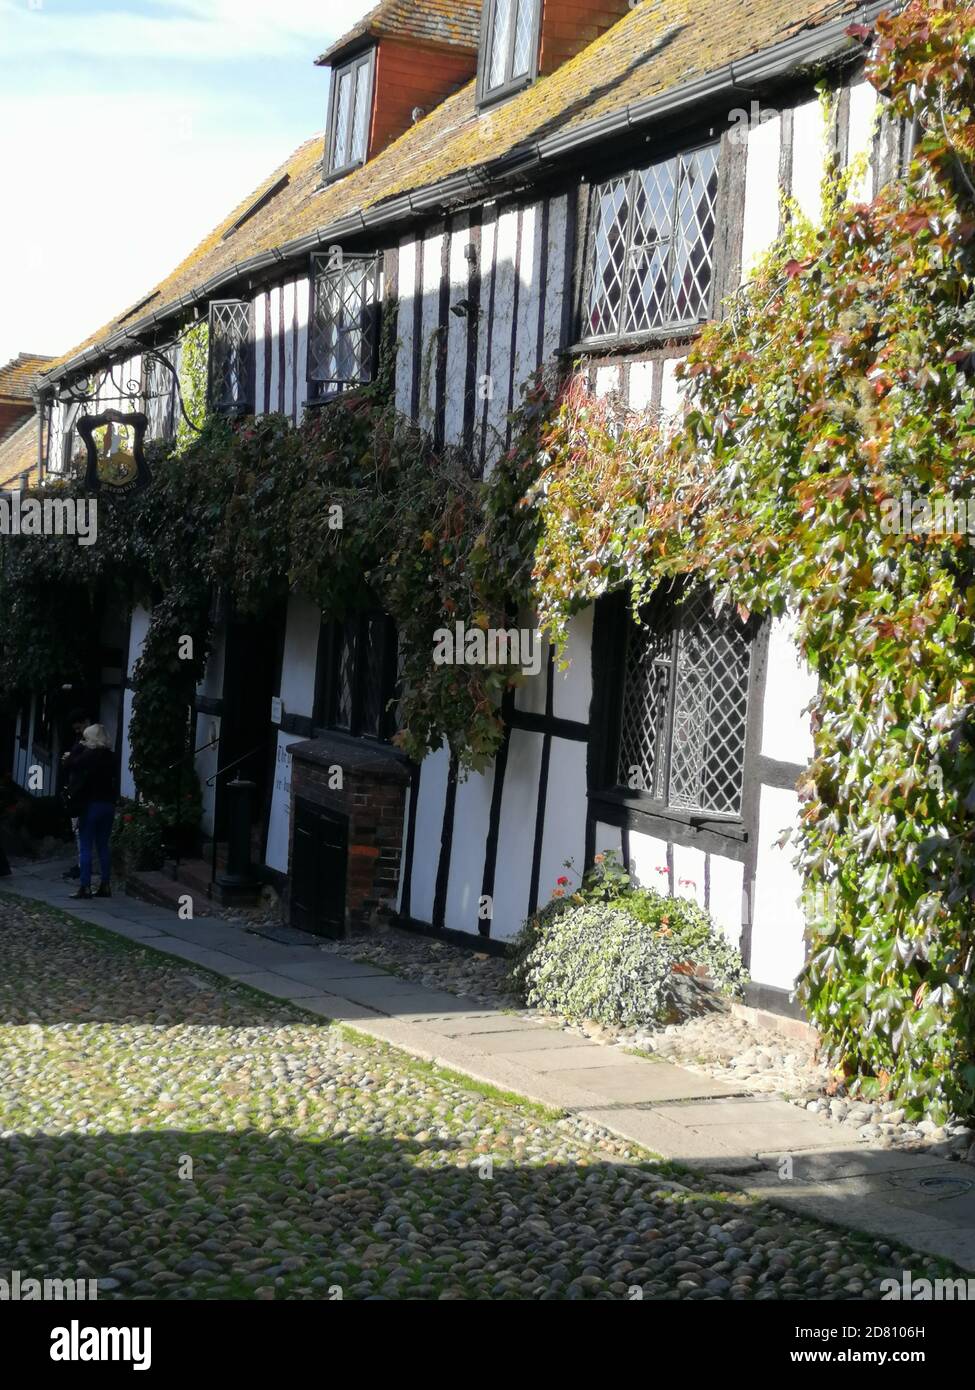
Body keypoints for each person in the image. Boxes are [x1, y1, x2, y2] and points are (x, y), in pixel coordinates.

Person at [66, 725, 118, 900]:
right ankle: (105, 884)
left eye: (86, 739)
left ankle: (85, 886)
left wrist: (79, 746)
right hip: (108, 805)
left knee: (86, 846)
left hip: (91, 805)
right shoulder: (111, 757)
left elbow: (71, 762)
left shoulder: (89, 757)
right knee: (103, 845)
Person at [61, 708, 93, 881]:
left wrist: (70, 759)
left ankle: (83, 867)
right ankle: (81, 864)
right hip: (76, 789)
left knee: (81, 832)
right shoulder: (81, 740)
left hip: (81, 792)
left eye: (79, 727)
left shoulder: (88, 742)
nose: (77, 731)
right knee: (78, 832)